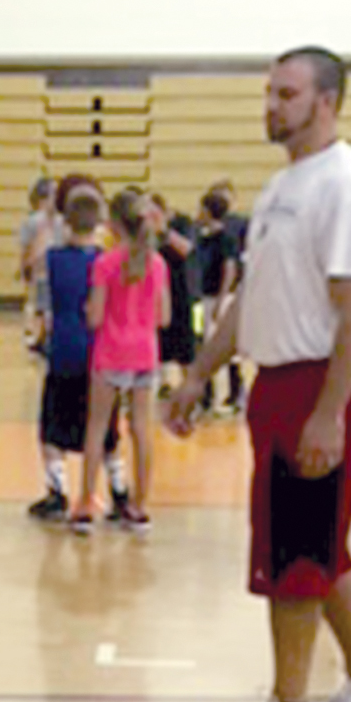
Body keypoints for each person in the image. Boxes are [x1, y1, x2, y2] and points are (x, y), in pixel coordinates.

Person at [165, 46, 351, 702]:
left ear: (326, 101)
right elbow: (251, 299)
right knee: (320, 541)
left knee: (294, 549)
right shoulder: (279, 188)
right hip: (278, 382)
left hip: (319, 384)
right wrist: (196, 375)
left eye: (286, 94)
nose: (270, 105)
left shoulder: (347, 186)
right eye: (269, 92)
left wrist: (328, 413)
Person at [27, 187, 128, 522]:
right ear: (99, 223)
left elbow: (30, 265)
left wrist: (47, 221)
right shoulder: (108, 261)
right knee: (107, 429)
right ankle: (119, 491)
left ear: (66, 221)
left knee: (52, 429)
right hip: (101, 354)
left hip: (64, 353)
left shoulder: (54, 259)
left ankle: (57, 491)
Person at [73, 190, 169, 535]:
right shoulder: (157, 264)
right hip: (144, 353)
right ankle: (139, 506)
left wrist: (89, 309)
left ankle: (85, 504)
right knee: (142, 428)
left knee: (97, 427)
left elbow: (96, 317)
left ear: (114, 224)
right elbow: (164, 317)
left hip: (112, 352)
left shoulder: (106, 263)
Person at [194, 190, 243, 413]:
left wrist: (222, 299)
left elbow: (229, 269)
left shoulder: (225, 239)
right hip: (205, 297)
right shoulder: (204, 238)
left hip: (220, 297)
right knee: (204, 344)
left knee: (222, 346)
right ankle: (208, 395)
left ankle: (231, 394)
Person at [146, 194, 195, 397]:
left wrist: (164, 231)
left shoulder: (181, 224)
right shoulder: (145, 233)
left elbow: (187, 249)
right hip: (157, 293)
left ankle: (195, 391)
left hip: (181, 293)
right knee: (160, 344)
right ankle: (163, 384)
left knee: (186, 348)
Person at [18, 177, 63, 351]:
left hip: (49, 268)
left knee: (43, 306)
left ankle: (43, 337)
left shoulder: (58, 221)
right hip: (44, 269)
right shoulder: (35, 221)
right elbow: (27, 247)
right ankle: (42, 337)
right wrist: (25, 266)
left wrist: (25, 265)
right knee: (41, 306)